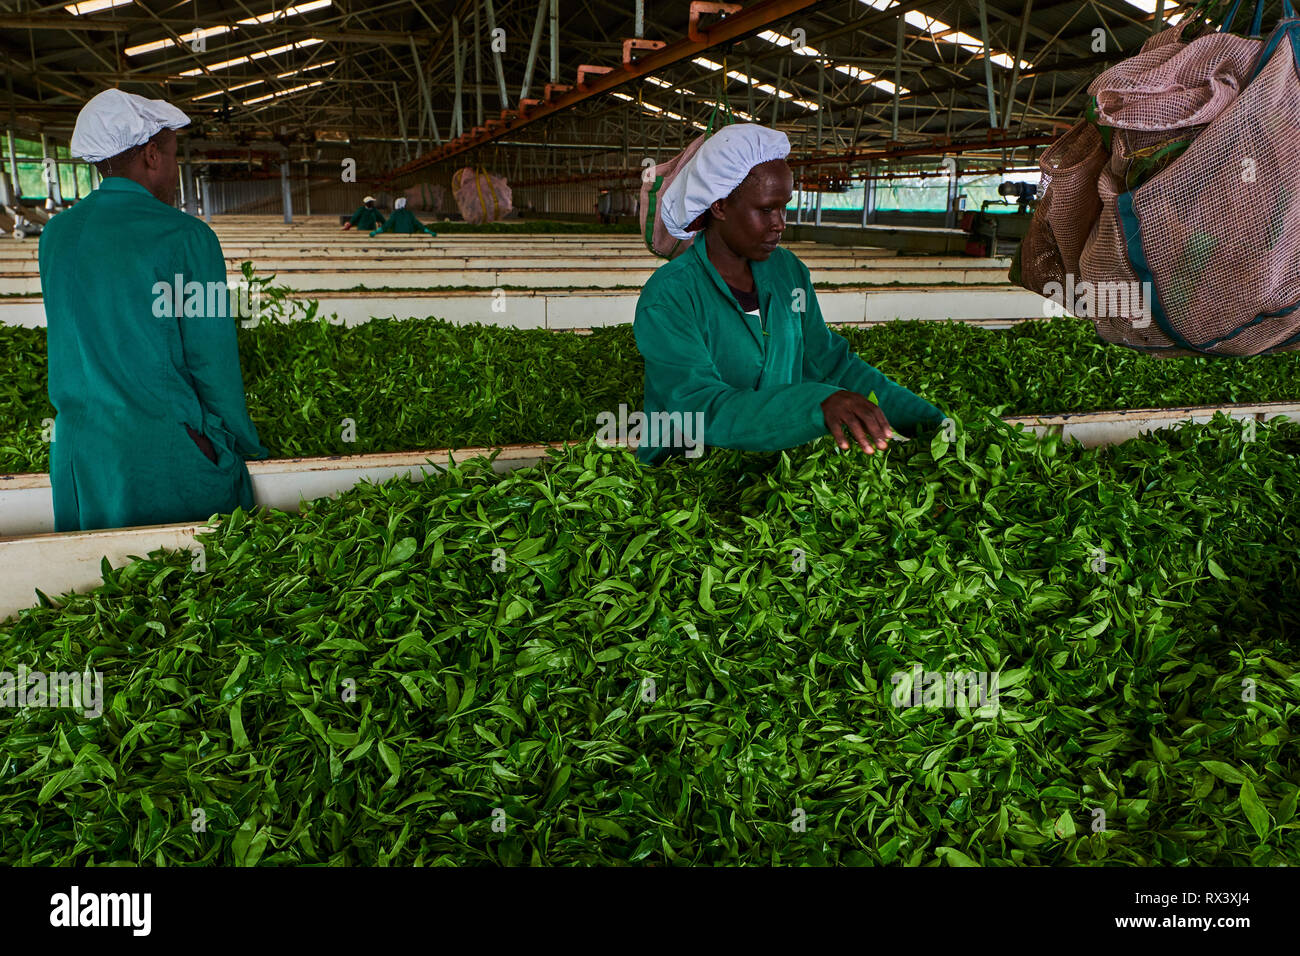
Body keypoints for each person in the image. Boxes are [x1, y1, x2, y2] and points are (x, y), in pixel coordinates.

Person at [633, 123, 944, 465]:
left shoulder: (788, 272)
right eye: (766, 209)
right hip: (687, 477)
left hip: (771, 471)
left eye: (784, 207)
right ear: (719, 206)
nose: (780, 223)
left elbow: (831, 364)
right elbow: (698, 405)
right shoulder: (670, 296)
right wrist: (814, 405)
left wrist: (931, 423)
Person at [39, 88, 267, 532]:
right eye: (174, 155)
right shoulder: (187, 237)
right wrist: (240, 444)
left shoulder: (57, 235)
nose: (177, 172)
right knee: (180, 585)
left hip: (79, 455)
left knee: (98, 586)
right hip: (162, 454)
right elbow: (211, 359)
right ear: (151, 155)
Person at [369, 196, 437, 236]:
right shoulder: (409, 214)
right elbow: (418, 224)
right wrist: (428, 231)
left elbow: (387, 225)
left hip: (399, 237)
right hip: (410, 237)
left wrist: (377, 232)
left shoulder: (395, 214)